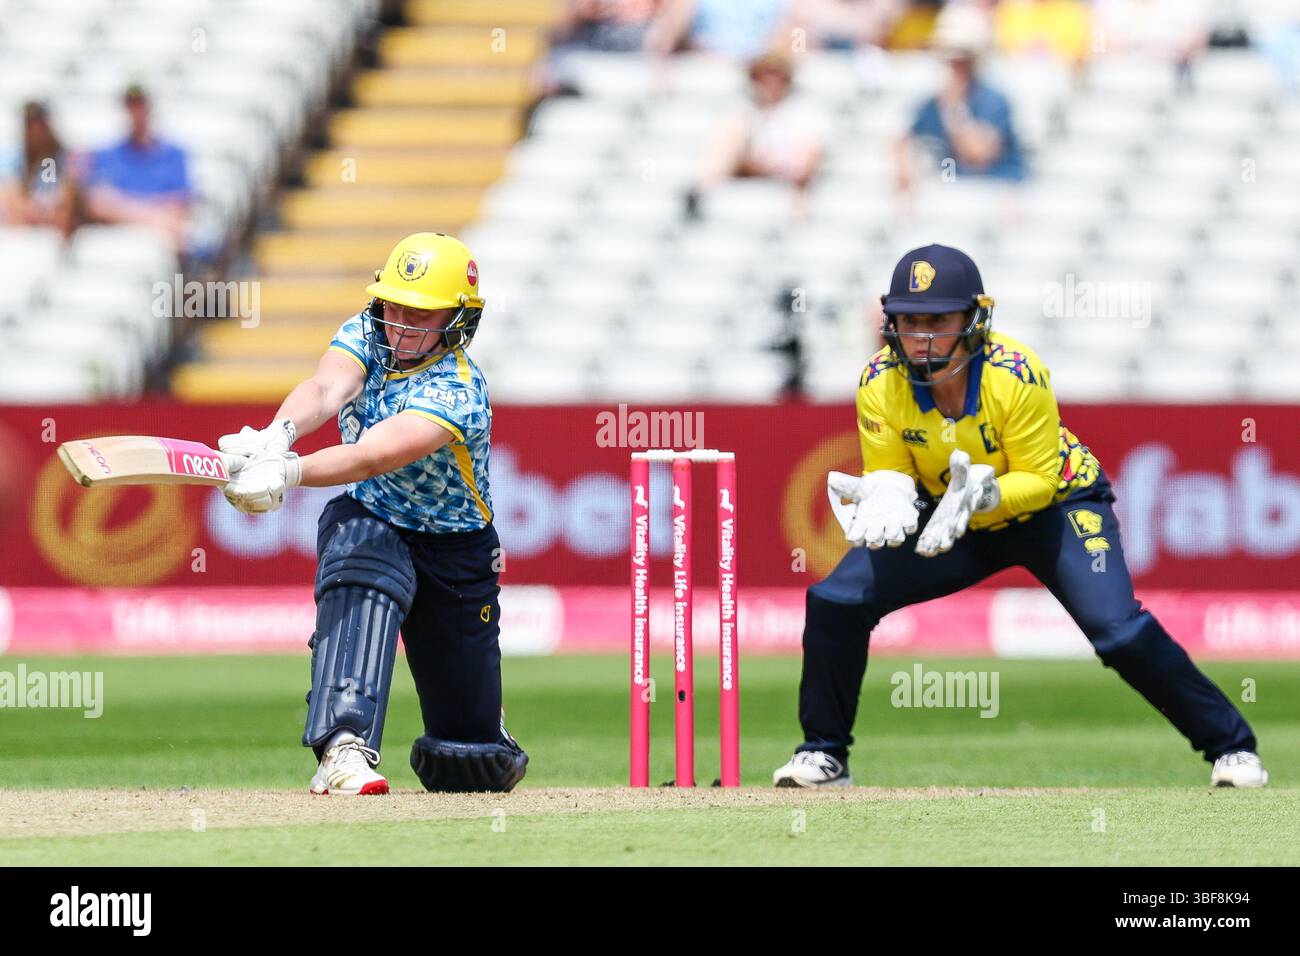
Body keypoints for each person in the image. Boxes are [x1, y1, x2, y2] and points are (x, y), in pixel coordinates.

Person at [772, 243, 1268, 789]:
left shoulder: (1017, 373)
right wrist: (890, 492)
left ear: (975, 318)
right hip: (951, 519)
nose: (923, 337)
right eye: (911, 321)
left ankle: (1233, 748)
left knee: (1118, 632)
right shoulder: (878, 380)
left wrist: (984, 499)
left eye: (939, 319)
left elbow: (1038, 478)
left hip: (1054, 507)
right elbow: (891, 468)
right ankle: (825, 754)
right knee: (837, 599)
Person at [219, 232, 528, 796]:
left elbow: (370, 454)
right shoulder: (366, 329)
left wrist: (287, 472)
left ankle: (484, 730)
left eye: (422, 314)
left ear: (458, 320)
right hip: (372, 516)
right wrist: (275, 436)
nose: (402, 325)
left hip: (454, 551)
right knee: (361, 564)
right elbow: (325, 387)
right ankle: (343, 749)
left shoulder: (458, 392)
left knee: (470, 761)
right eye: (395, 306)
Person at [895, 6, 1027, 192]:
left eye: (958, 59)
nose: (951, 67)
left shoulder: (993, 101)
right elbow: (905, 137)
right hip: (953, 195)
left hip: (992, 194)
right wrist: (905, 168)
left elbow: (978, 155)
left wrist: (954, 109)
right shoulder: (934, 103)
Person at [83, 84, 191, 249]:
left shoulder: (174, 154)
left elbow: (179, 206)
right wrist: (154, 217)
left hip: (159, 242)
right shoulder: (105, 155)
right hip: (117, 239)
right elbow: (97, 204)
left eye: (140, 104)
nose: (136, 111)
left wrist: (120, 206)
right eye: (131, 104)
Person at [0, 101, 80, 236]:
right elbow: (9, 195)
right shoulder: (15, 159)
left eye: (39, 124)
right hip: (27, 220)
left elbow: (67, 198)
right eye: (30, 124)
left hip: (54, 221)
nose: (35, 130)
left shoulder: (66, 158)